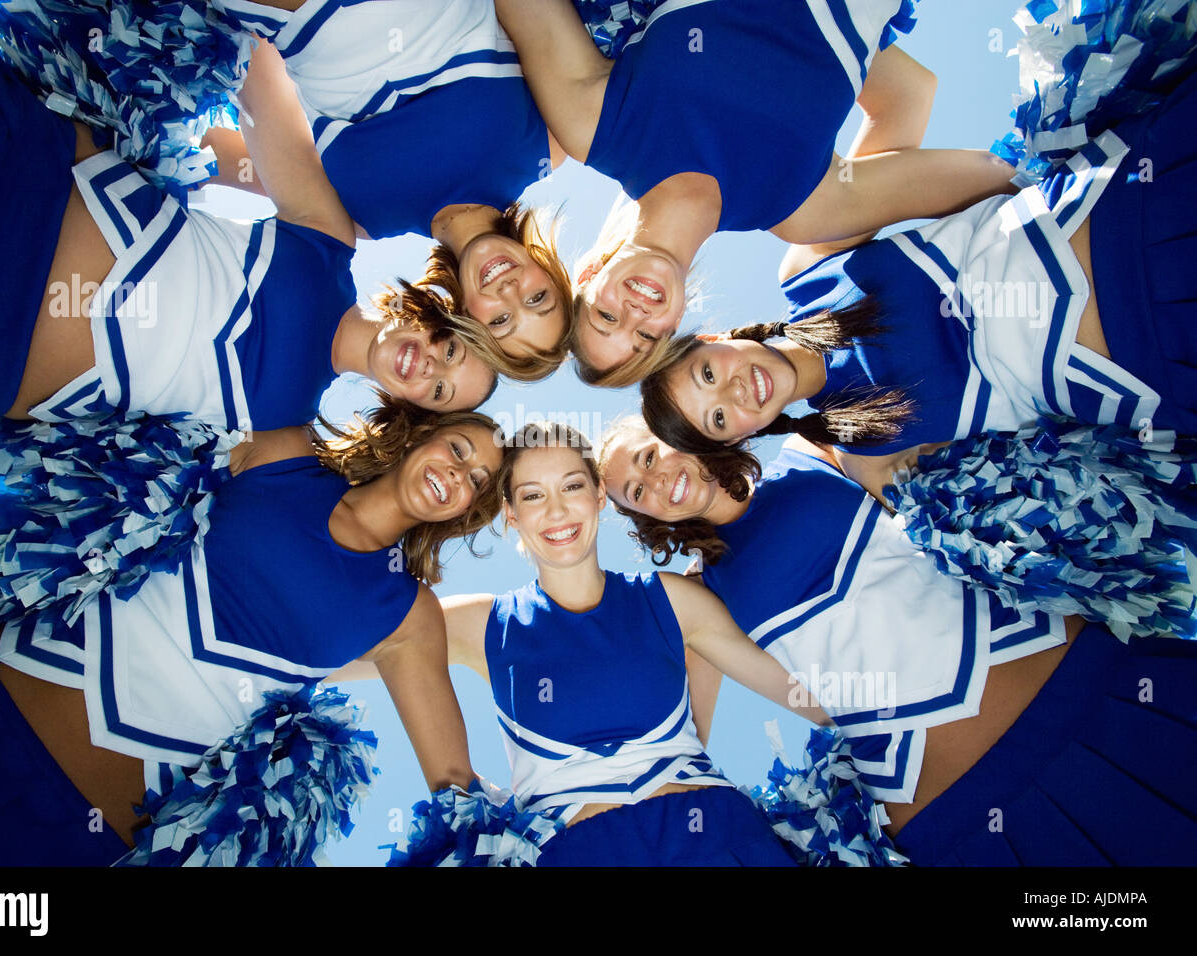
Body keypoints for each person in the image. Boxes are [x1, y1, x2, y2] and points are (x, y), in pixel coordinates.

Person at [0, 402, 505, 865]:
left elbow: (456, 789)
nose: (459, 475)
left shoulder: (407, 613)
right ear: (421, 432)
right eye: (457, 448)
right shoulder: (283, 451)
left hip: (60, 837)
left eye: (477, 481)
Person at [0, 1, 495, 455]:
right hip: (4, 180)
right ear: (435, 314)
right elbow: (255, 72)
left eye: (440, 391)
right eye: (450, 350)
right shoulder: (327, 241)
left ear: (413, 410)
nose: (431, 367)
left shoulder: (286, 431)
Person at [598, 420, 1197, 864]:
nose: (655, 480)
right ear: (647, 518)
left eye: (649, 456)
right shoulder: (700, 598)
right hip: (967, 826)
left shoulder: (814, 448)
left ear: (680, 430)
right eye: (635, 491)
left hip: (1110, 702)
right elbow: (688, 750)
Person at [641, 23, 1197, 457]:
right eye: (717, 419)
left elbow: (908, 95)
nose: (732, 393)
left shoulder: (810, 270)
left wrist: (772, 28)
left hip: (1132, 206)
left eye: (707, 374)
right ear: (740, 439)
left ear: (712, 338)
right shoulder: (862, 450)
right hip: (1158, 366)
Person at [495, 0, 1019, 384]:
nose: (635, 313)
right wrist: (845, 51)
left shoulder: (594, 129)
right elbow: (996, 169)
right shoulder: (803, 210)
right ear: (675, 322)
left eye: (606, 316)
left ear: (588, 274)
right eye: (646, 337)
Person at [429, 422, 843, 865]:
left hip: (719, 839)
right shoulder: (481, 623)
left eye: (572, 486)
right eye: (532, 495)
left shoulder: (674, 598)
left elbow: (813, 701)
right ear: (510, 512)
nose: (557, 510)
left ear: (599, 495)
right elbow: (350, 650)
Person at [206, 0, 575, 381]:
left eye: (500, 320)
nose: (511, 291)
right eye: (538, 299)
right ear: (551, 273)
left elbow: (227, 147)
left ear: (466, 319)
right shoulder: (552, 141)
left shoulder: (363, 220)